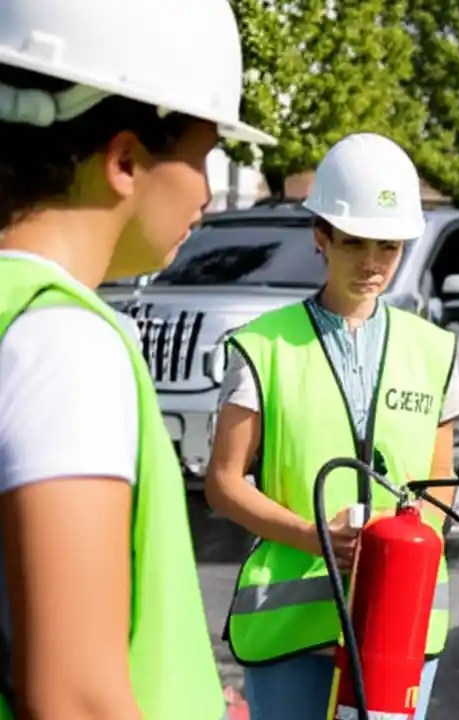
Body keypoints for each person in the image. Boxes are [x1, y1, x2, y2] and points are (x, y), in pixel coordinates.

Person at [0, 2, 273, 718]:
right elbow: (74, 700)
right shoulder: (63, 342)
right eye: (205, 154)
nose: (209, 193)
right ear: (125, 161)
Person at [204, 132, 459, 720]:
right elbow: (223, 482)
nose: (373, 263)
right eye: (355, 243)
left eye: (389, 247)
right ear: (321, 236)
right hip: (288, 622)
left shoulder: (433, 351)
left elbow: (439, 477)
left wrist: (402, 560)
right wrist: (313, 536)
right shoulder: (263, 347)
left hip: (400, 619)